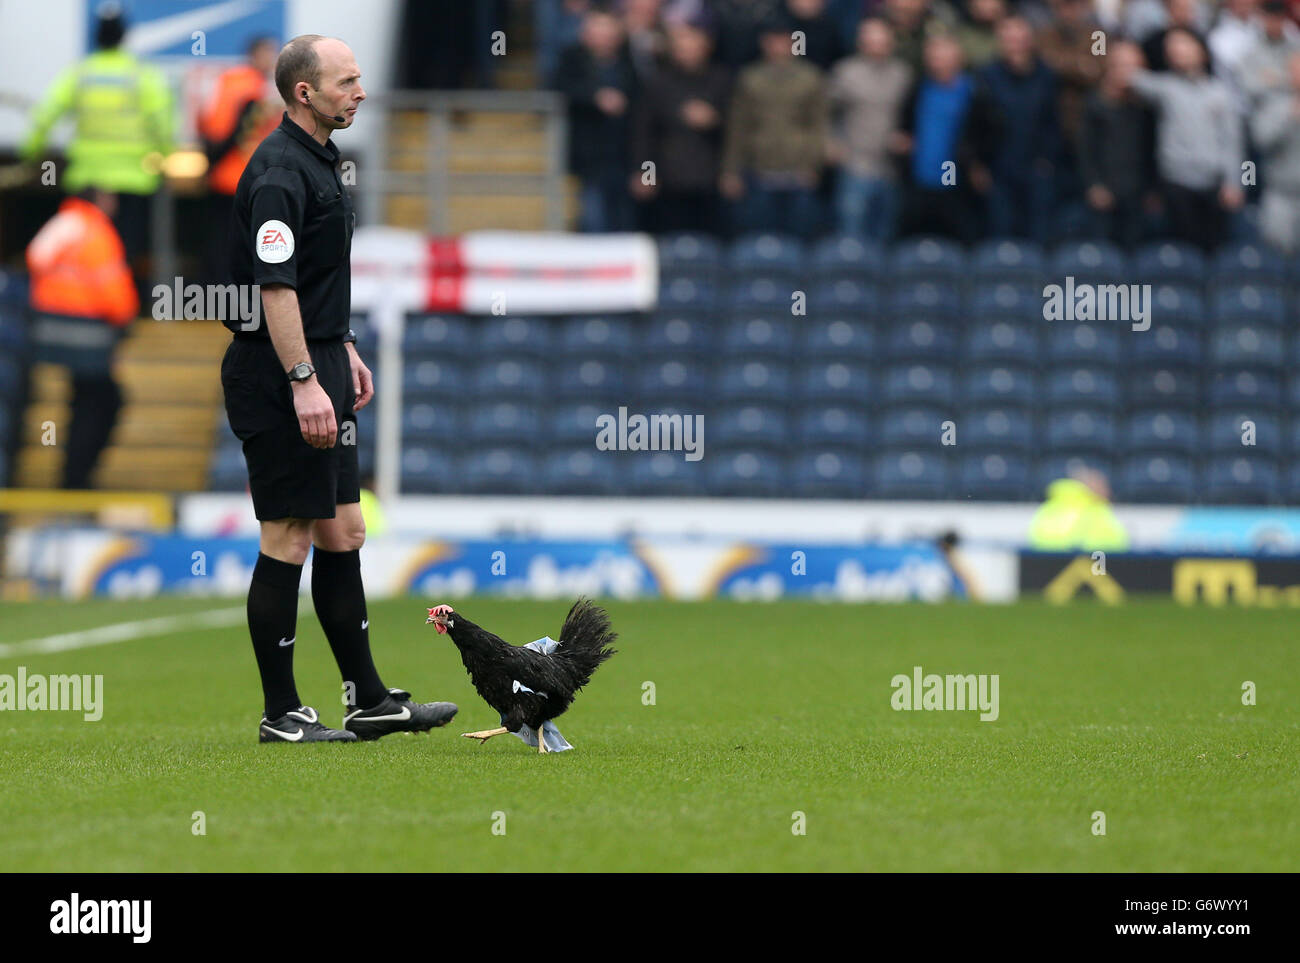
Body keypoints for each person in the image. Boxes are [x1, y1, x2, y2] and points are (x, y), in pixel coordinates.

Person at [221, 34, 458, 743]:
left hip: (321, 356)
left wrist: (342, 347)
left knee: (343, 529)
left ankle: (369, 700)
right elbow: (275, 287)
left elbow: (319, 279)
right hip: (279, 371)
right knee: (288, 535)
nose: (360, 90)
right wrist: (302, 379)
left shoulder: (325, 162)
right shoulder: (276, 173)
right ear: (305, 93)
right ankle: (281, 713)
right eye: (346, 81)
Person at [19, 2, 173, 296]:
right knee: (124, 248)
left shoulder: (80, 73)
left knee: (81, 246)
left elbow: (45, 115)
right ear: (125, 36)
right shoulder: (140, 75)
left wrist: (30, 153)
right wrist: (165, 156)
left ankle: (82, 307)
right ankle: (121, 308)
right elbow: (161, 122)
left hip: (87, 179)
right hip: (133, 179)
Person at [25, 188, 137, 489]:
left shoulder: (63, 222)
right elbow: (113, 289)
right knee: (103, 401)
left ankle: (72, 476)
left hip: (50, 329)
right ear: (100, 200)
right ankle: (76, 479)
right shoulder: (96, 230)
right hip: (87, 334)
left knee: (84, 401)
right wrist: (126, 320)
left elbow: (35, 258)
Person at [1128, 28, 1245, 251]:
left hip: (1213, 184)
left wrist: (1235, 183)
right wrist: (1100, 44)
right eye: (1172, 48)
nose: (1178, 51)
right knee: (1181, 250)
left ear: (1201, 50)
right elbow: (1126, 73)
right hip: (1176, 184)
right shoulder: (1164, 87)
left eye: (1184, 45)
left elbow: (1234, 141)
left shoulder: (1220, 92)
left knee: (1214, 249)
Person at [720, 14, 830, 238]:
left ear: (793, 42)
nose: (778, 46)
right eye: (772, 40)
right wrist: (731, 170)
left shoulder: (810, 77)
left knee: (801, 237)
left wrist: (814, 164)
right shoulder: (749, 78)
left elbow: (819, 124)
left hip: (799, 171)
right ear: (764, 43)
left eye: (783, 40)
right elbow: (738, 127)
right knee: (760, 237)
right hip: (760, 169)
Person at [631, 13, 731, 233]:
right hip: (669, 179)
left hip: (710, 179)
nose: (687, 51)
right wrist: (646, 174)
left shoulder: (722, 80)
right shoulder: (658, 83)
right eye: (682, 45)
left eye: (693, 44)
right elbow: (645, 133)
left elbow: (737, 131)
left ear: (706, 45)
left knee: (709, 242)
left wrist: (715, 121)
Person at [894, 32, 996, 241]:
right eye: (932, 56)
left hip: (955, 179)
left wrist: (978, 163)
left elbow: (988, 131)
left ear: (957, 59)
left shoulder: (974, 91)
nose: (935, 62)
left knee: (960, 238)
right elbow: (906, 125)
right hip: (919, 179)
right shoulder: (919, 88)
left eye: (941, 56)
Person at [198, 36, 281, 284]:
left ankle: (215, 295)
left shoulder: (226, 81)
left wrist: (210, 165)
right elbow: (239, 133)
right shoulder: (260, 89)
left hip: (224, 177)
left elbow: (209, 126)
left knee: (220, 239)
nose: (273, 59)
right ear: (255, 55)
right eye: (269, 53)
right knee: (249, 242)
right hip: (248, 177)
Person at [828, 17, 912, 240]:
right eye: (870, 40)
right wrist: (831, 142)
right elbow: (825, 113)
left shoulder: (902, 75)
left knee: (885, 234)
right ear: (861, 42)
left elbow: (912, 116)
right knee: (851, 234)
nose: (876, 45)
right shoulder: (845, 72)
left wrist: (907, 138)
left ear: (891, 42)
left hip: (890, 169)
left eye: (881, 40)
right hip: (855, 166)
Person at [555, 8, 639, 232]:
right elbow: (559, 89)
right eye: (598, 30)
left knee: (623, 220)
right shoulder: (572, 59)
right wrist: (595, 98)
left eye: (609, 32)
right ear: (586, 33)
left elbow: (640, 101)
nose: (604, 37)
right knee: (594, 218)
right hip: (588, 155)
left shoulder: (628, 63)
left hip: (622, 154)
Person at [979, 15, 1061, 241]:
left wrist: (1047, 160)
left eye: (1020, 38)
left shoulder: (1046, 76)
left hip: (1036, 169)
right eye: (1009, 38)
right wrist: (978, 165)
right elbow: (976, 124)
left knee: (1038, 235)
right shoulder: (987, 76)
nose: (1014, 44)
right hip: (998, 169)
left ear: (1030, 41)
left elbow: (1052, 122)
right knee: (1000, 233)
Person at [1079, 42, 1158, 248]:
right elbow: (1086, 149)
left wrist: (1152, 189)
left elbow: (1152, 151)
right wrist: (1094, 184)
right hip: (1105, 191)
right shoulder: (1094, 104)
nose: (1127, 72)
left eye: (1134, 66)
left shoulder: (1147, 107)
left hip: (1137, 192)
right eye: (1122, 65)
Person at [1250, 50, 1300, 252]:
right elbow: (1260, 140)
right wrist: (1290, 115)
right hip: (1280, 193)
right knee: (1277, 255)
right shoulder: (1272, 104)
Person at [1028, 468, 1130, 551]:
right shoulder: (1099, 512)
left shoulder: (1047, 509)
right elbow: (1120, 549)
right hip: (1094, 572)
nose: (1108, 491)